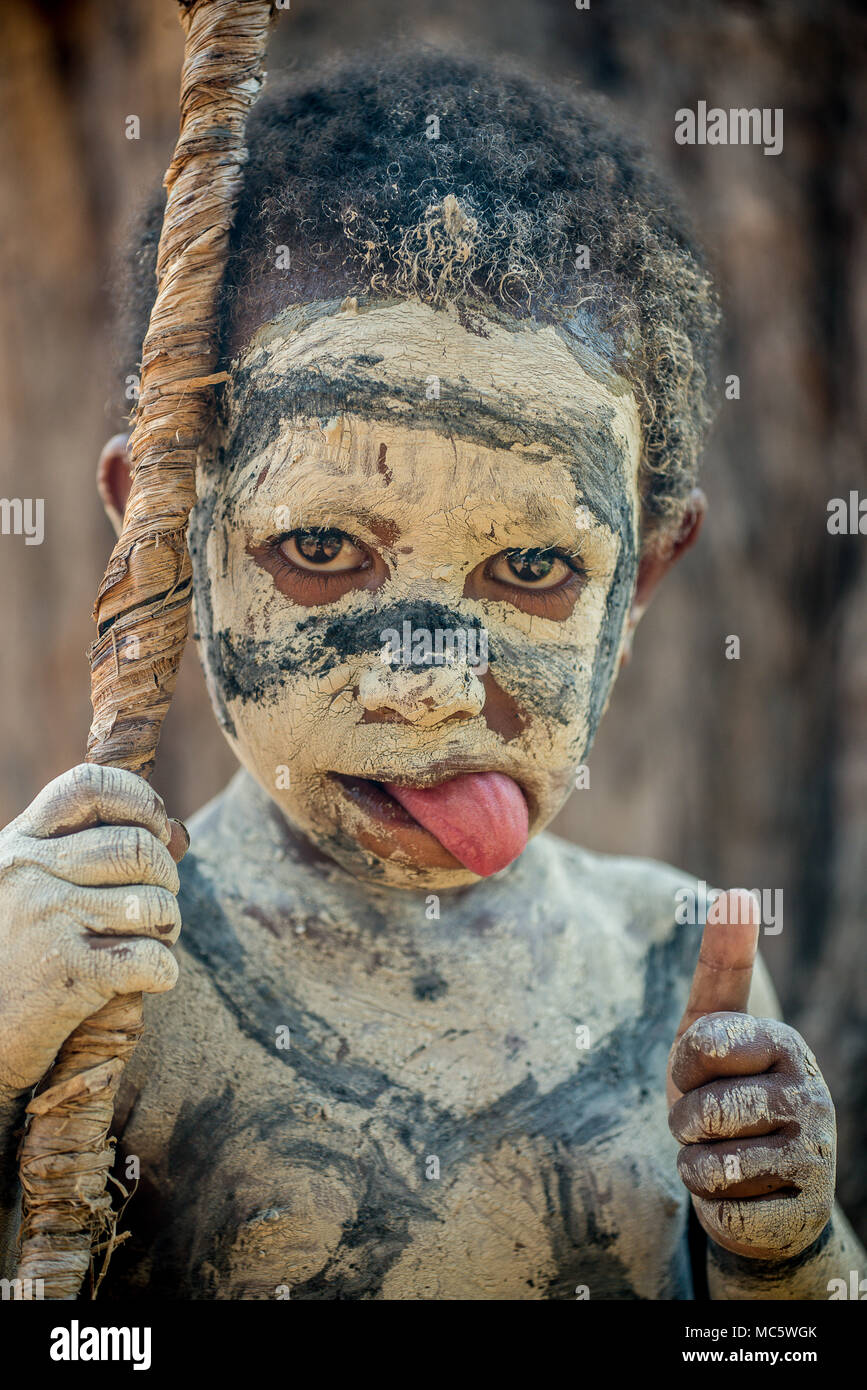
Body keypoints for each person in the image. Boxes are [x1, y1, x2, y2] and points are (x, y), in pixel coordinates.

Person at [0, 51, 862, 1299]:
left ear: (644, 585)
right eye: (321, 547)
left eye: (530, 565)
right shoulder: (100, 972)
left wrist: (784, 1257)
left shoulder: (673, 964)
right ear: (168, 532)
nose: (429, 686)